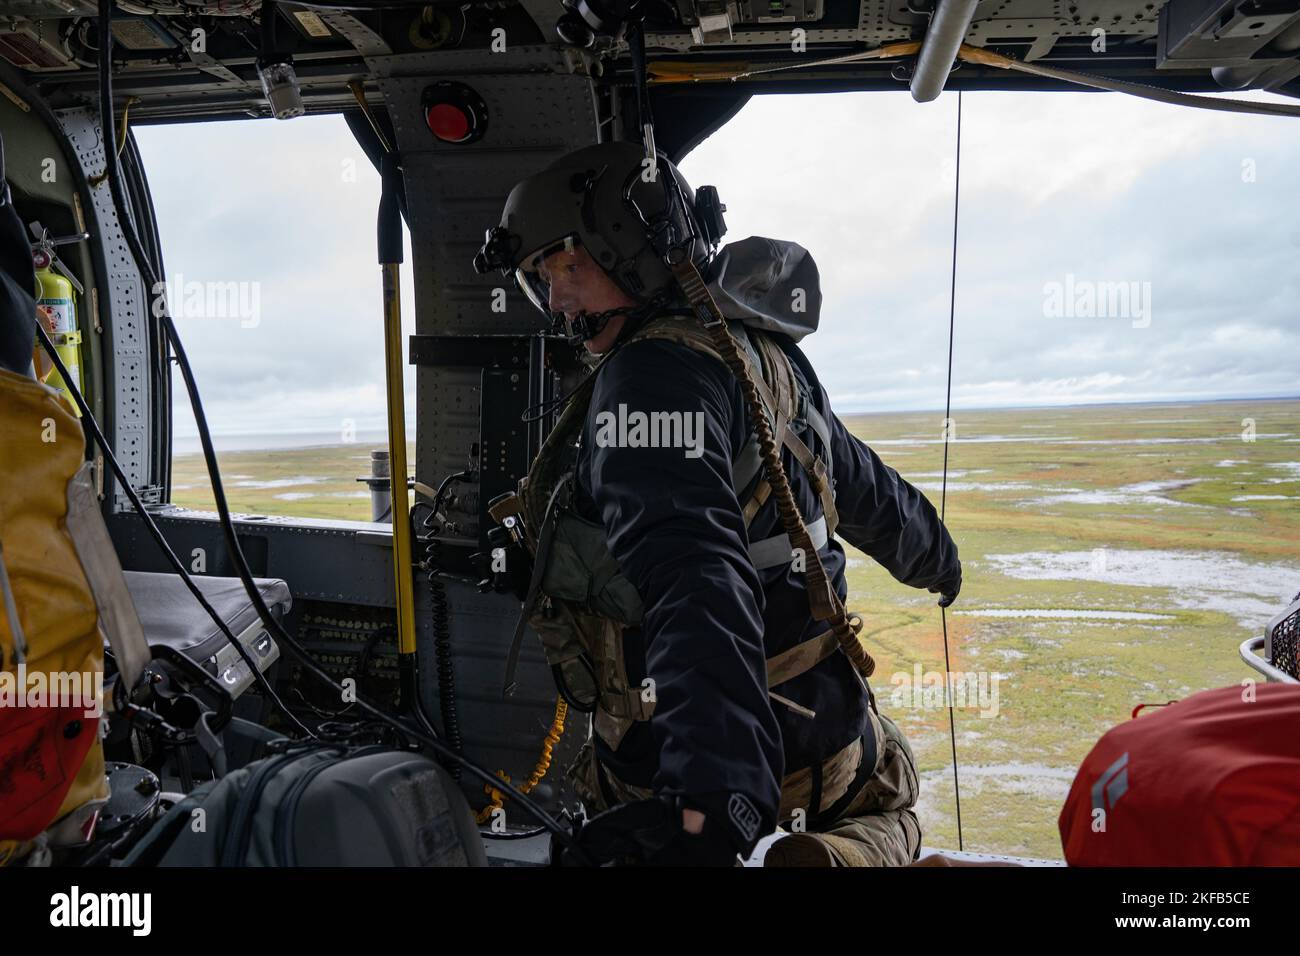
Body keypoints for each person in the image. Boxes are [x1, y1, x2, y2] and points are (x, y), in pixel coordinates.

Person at [476, 141, 961, 866]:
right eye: (541, 279)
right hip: (832, 743)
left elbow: (693, 576)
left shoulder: (648, 379)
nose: (558, 299)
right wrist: (936, 559)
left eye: (568, 266)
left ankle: (801, 844)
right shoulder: (758, 354)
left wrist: (714, 799)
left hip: (694, 764)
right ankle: (850, 849)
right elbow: (860, 483)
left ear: (630, 251)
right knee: (885, 807)